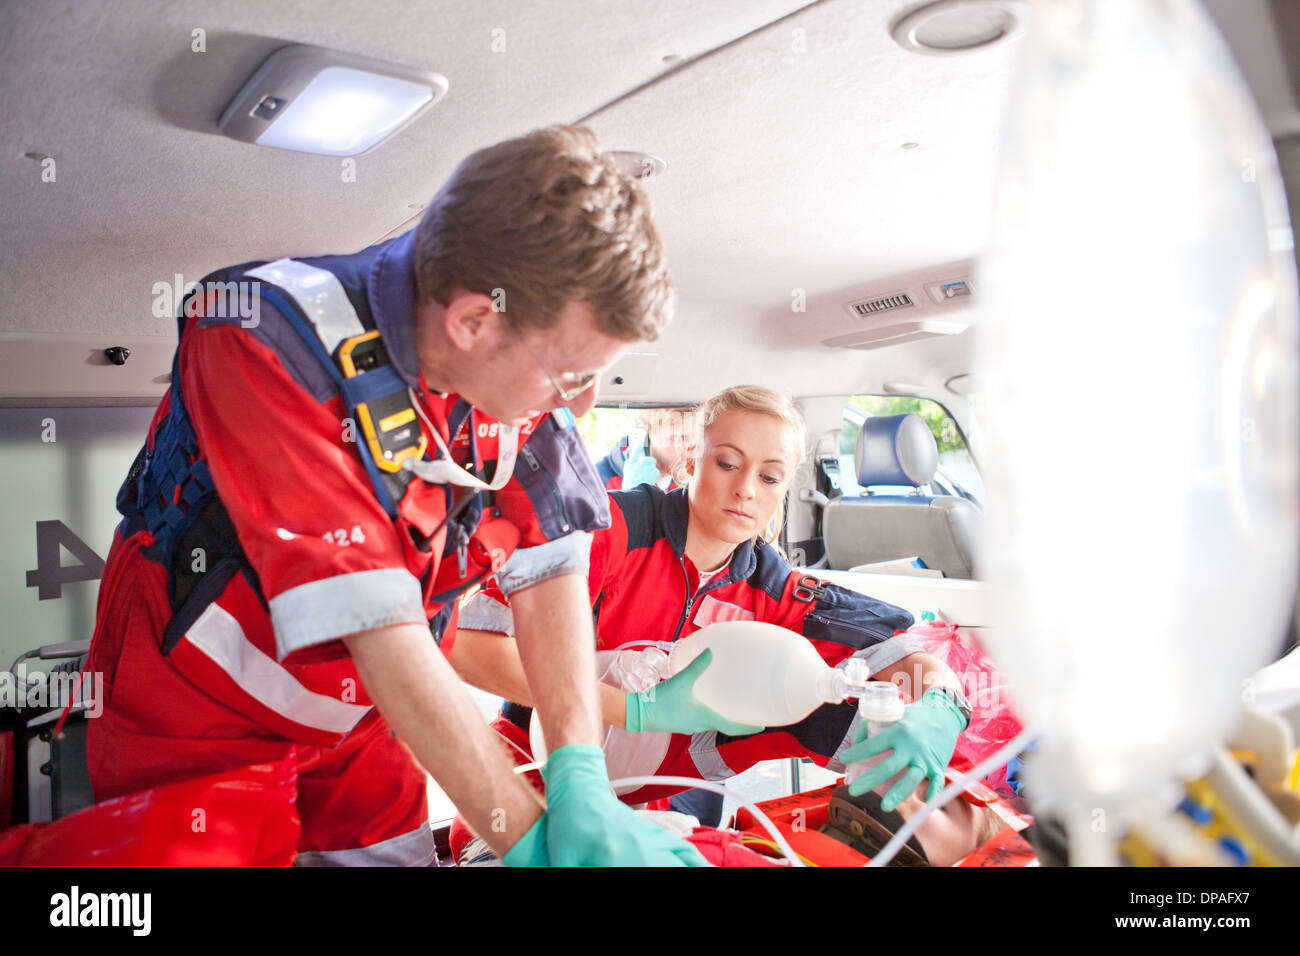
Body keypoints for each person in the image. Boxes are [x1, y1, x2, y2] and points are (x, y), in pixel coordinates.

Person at [85, 125, 707, 867]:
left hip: (369, 723)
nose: (581, 405)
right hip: (199, 721)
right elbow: (377, 630)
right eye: (572, 376)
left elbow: (550, 565)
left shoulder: (515, 377)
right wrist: (533, 842)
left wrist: (580, 777)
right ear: (474, 320)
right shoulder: (261, 337)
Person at [451, 385, 973, 855]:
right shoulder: (609, 531)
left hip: (654, 803)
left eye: (769, 476)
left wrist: (943, 708)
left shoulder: (774, 589)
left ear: (782, 491)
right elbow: (468, 648)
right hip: (523, 775)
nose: (747, 488)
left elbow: (899, 649)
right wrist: (633, 710)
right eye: (727, 463)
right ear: (689, 461)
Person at [594, 407, 694, 490]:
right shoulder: (598, 480)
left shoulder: (682, 484)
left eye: (696, 439)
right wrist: (631, 497)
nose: (691, 451)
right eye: (680, 438)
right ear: (646, 432)